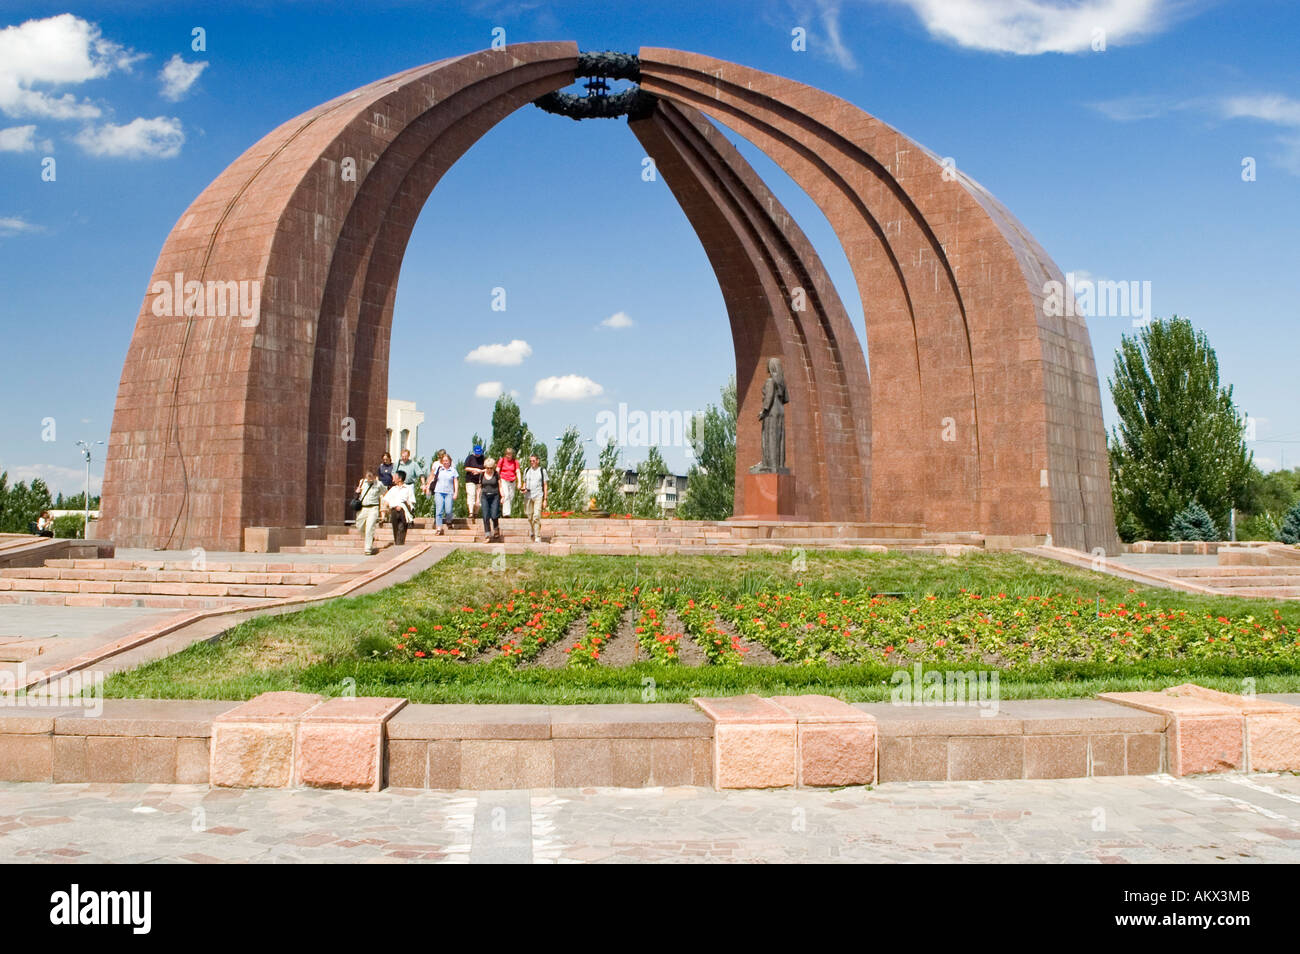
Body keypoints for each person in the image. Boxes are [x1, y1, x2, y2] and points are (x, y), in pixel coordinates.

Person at [425, 451, 458, 535]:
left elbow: (455, 481)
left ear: (450, 461)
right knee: (439, 510)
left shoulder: (453, 470)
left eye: (447, 460)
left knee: (448, 510)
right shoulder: (439, 469)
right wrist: (427, 486)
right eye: (444, 460)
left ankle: (449, 520)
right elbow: (432, 477)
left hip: (449, 492)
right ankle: (439, 528)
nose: (445, 462)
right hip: (438, 491)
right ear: (442, 461)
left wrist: (456, 492)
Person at [354, 471, 383, 555]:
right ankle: (370, 538)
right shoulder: (362, 482)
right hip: (363, 508)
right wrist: (357, 491)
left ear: (374, 477)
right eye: (368, 478)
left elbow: (384, 493)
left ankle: (368, 548)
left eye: (371, 478)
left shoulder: (379, 484)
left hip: (373, 508)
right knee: (359, 526)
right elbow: (358, 493)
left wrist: (383, 508)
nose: (369, 480)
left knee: (370, 527)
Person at [383, 471, 416, 545]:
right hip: (394, 511)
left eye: (395, 476)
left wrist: (403, 506)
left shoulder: (408, 488)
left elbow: (412, 501)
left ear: (400, 479)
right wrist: (385, 510)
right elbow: (386, 500)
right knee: (395, 529)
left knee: (402, 529)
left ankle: (399, 545)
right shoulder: (393, 489)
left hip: (403, 512)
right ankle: (397, 544)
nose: (393, 478)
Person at [521, 453, 547, 543]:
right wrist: (523, 488)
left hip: (538, 496)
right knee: (529, 516)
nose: (532, 462)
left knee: (536, 516)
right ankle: (533, 529)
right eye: (530, 461)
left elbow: (545, 485)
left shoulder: (542, 471)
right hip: (528, 496)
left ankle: (537, 536)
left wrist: (545, 499)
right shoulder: (527, 470)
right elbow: (524, 482)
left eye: (534, 461)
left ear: (537, 461)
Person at [479, 458, 503, 542]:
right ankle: (487, 534)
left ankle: (496, 528)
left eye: (491, 468)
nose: (489, 470)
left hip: (495, 496)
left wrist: (502, 496)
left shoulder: (496, 474)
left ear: (493, 467)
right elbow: (479, 488)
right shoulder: (482, 475)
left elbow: (500, 486)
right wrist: (477, 499)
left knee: (494, 515)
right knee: (485, 515)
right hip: (485, 496)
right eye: (487, 468)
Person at [463, 444, 486, 519]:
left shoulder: (483, 458)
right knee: (471, 494)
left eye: (479, 453)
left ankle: (476, 513)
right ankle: (471, 512)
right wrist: (474, 469)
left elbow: (488, 468)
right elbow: (466, 467)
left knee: (478, 498)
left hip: (480, 481)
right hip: (470, 479)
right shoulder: (470, 458)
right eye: (476, 452)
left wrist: (480, 471)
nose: (477, 454)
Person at [498, 447, 519, 517]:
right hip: (503, 479)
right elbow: (497, 470)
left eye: (510, 454)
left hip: (512, 480)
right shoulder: (502, 460)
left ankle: (505, 510)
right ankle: (506, 513)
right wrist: (496, 479)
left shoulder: (515, 461)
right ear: (505, 454)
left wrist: (519, 482)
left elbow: (518, 471)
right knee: (506, 495)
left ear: (512, 455)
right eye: (507, 454)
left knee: (511, 497)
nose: (509, 456)